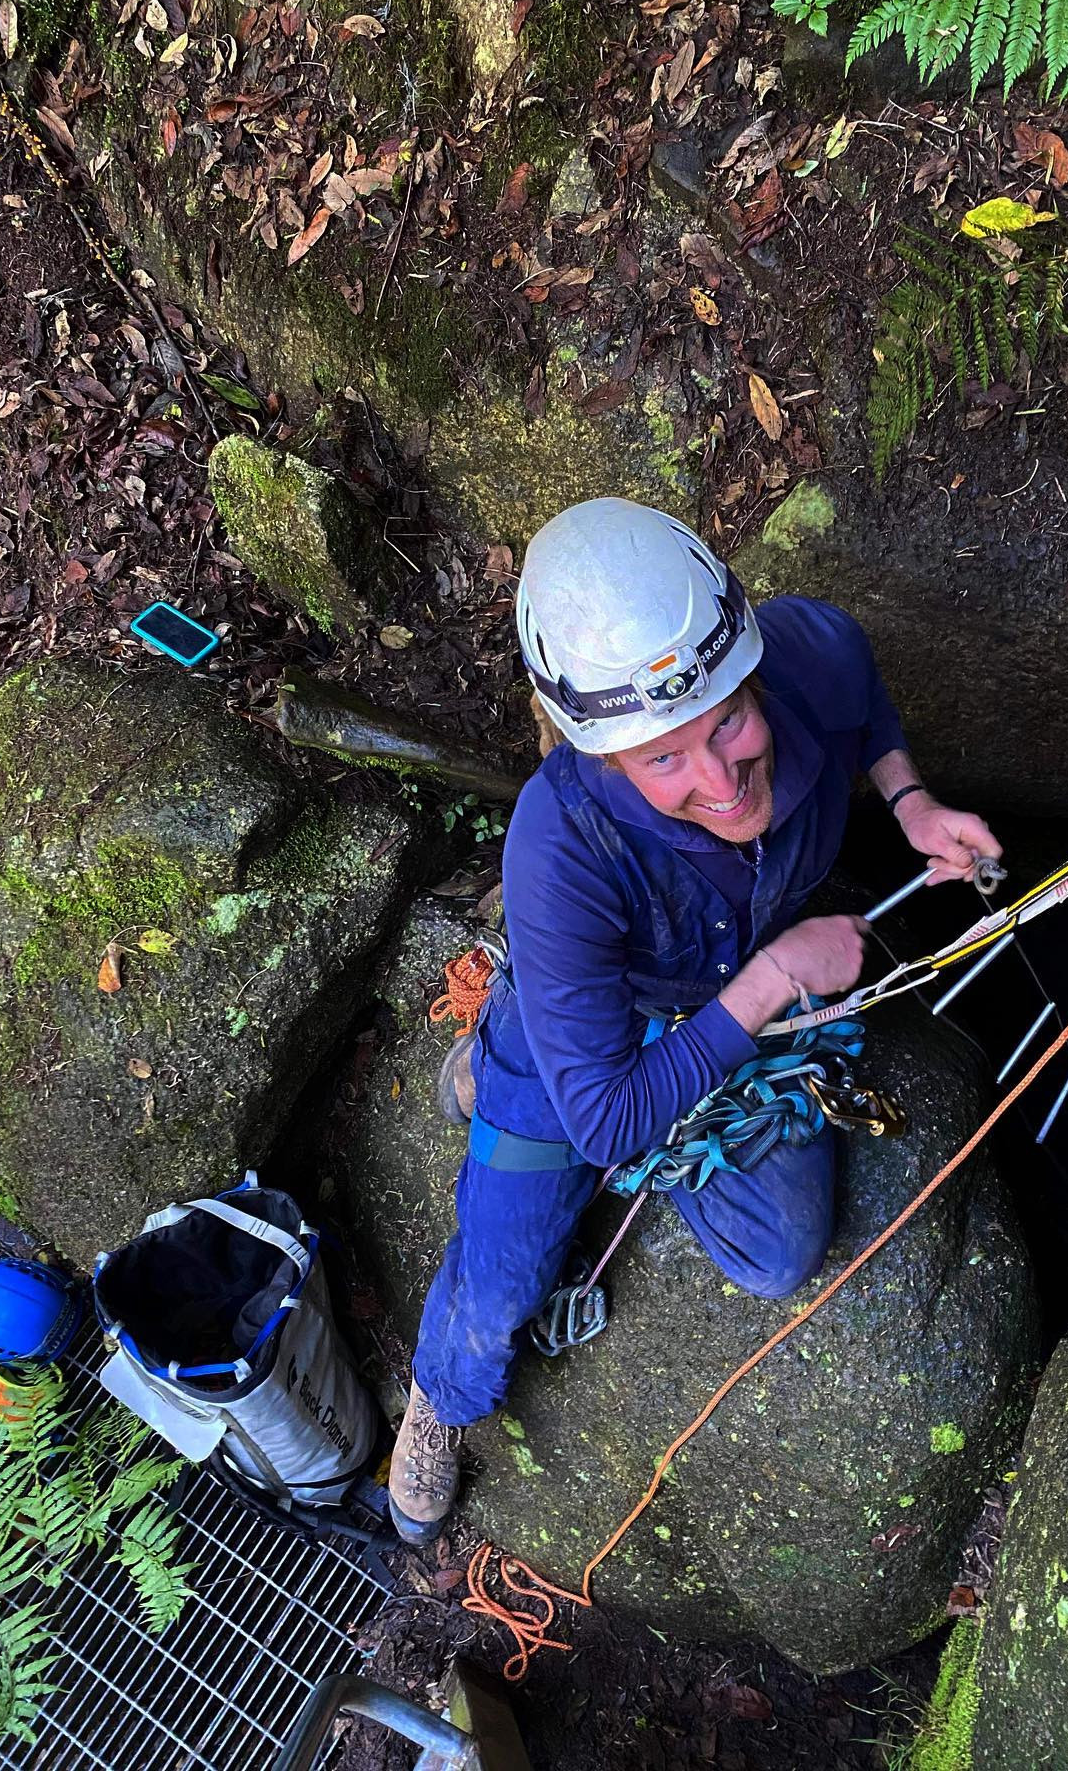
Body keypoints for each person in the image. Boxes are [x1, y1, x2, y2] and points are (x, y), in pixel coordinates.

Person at [388, 497, 1000, 1543]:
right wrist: (769, 985)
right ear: (605, 755)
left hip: (718, 993)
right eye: (665, 759)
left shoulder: (805, 657)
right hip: (588, 1045)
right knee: (499, 1287)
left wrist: (909, 804)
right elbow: (609, 1126)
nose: (723, 783)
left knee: (776, 1253)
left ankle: (492, 1084)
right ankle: (440, 1392)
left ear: (747, 673)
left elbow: (866, 698)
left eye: (727, 725)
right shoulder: (559, 848)